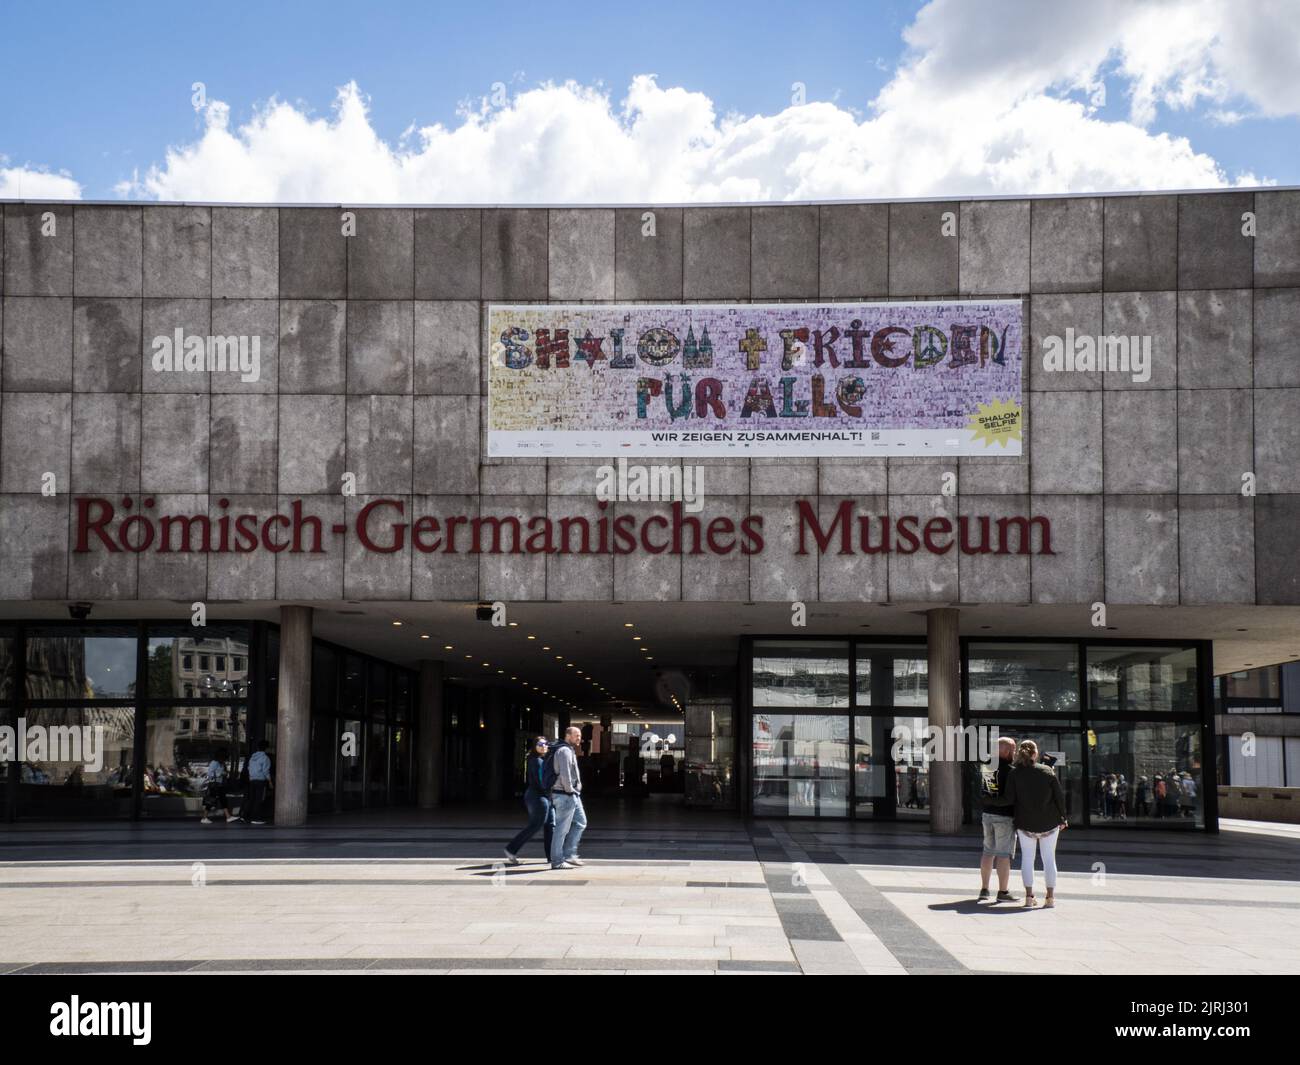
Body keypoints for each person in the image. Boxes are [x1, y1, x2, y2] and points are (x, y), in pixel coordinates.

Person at [1003, 740, 1068, 908]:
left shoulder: (1014, 774)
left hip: (1025, 823)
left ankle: (1029, 897)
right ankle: (1050, 898)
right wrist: (1063, 817)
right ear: (1035, 754)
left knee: (1027, 859)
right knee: (1049, 859)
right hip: (1049, 823)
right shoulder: (1047, 771)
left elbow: (1009, 799)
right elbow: (1059, 797)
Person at [977, 736, 1019, 903]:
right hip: (1004, 816)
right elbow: (1010, 797)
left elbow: (986, 792)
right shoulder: (1011, 771)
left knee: (988, 852)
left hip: (987, 815)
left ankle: (984, 889)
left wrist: (989, 802)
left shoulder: (987, 766)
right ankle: (1003, 891)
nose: (1014, 753)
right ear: (1006, 750)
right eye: (1013, 749)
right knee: (1003, 854)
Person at [504, 736, 555, 864]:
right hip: (539, 797)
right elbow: (542, 782)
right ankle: (511, 849)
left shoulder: (541, 759)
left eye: (546, 744)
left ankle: (552, 856)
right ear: (534, 746)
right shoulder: (537, 761)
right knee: (536, 825)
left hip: (545, 797)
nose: (543, 746)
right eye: (540, 744)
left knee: (550, 826)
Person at [548, 726, 587, 870]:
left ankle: (569, 853)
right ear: (568, 735)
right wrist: (571, 791)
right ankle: (557, 861)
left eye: (580, 735)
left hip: (572, 795)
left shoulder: (569, 750)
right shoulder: (564, 751)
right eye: (576, 735)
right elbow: (565, 775)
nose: (579, 738)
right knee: (561, 829)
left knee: (581, 822)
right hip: (564, 795)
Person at [242, 740, 273, 824]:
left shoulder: (252, 757)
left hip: (252, 780)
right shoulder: (265, 758)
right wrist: (270, 781)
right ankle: (256, 818)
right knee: (258, 799)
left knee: (251, 798)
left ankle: (245, 816)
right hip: (260, 781)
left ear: (258, 748)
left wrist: (250, 777)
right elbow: (266, 771)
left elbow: (249, 768)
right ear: (266, 748)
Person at [200, 756, 237, 824]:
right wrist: (221, 774)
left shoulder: (221, 763)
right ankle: (204, 818)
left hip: (219, 784)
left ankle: (228, 816)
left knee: (222, 799)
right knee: (211, 801)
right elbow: (210, 774)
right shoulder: (214, 763)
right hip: (215, 785)